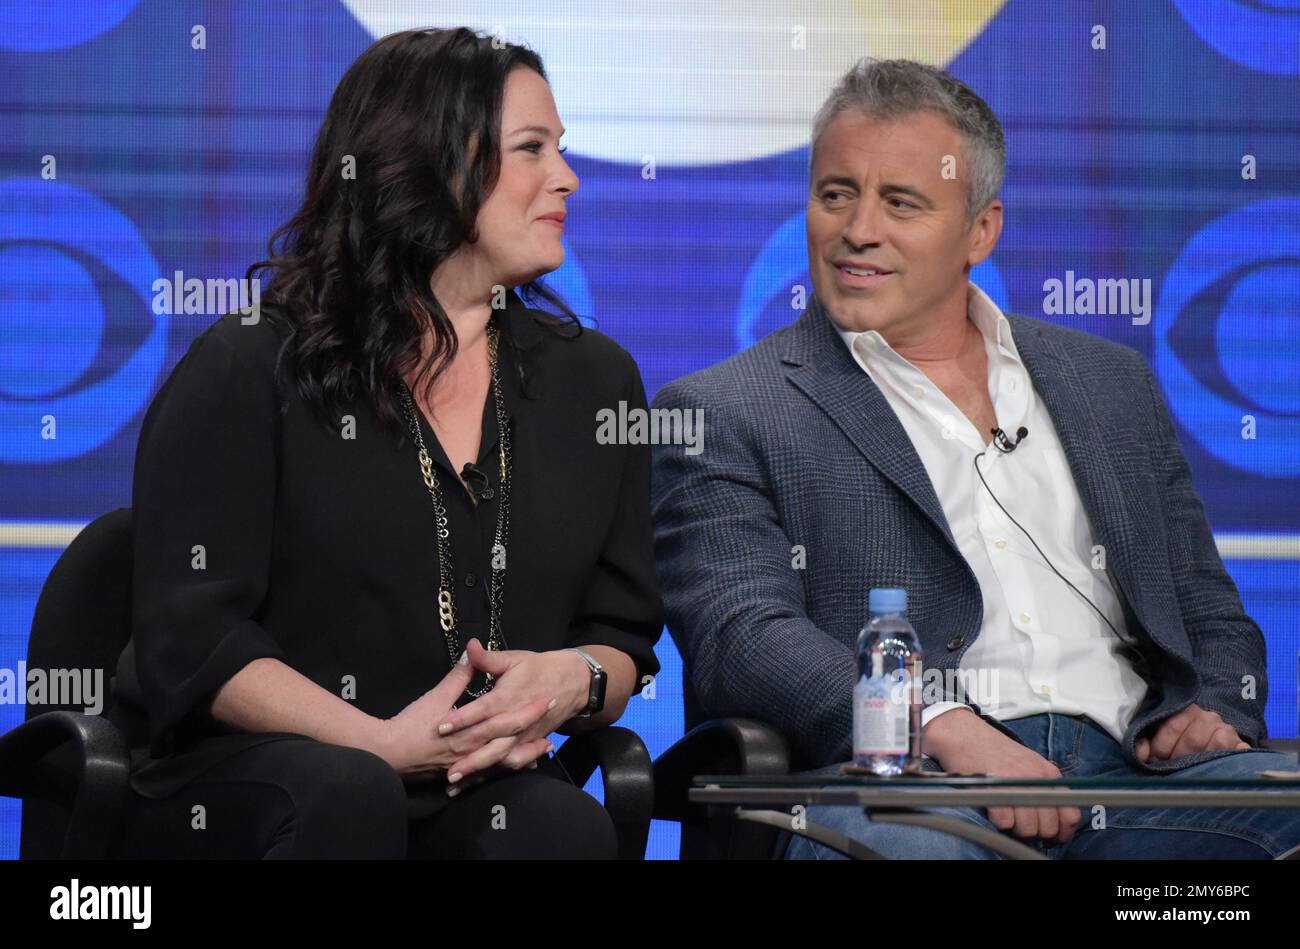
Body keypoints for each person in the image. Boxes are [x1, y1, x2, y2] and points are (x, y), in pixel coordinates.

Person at [650, 57, 1300, 859]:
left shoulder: (1109, 384)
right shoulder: (724, 409)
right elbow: (743, 637)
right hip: (912, 783)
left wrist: (1217, 713)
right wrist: (946, 729)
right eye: (836, 194)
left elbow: (1208, 607)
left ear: (980, 230)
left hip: (1142, 780)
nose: (858, 230)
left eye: (901, 203)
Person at [107, 27, 662, 859]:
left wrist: (572, 681)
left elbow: (620, 639)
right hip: (255, 778)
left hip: (475, 784)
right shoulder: (250, 367)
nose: (567, 177)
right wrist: (381, 742)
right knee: (349, 792)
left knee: (556, 826)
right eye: (532, 149)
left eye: (563, 148)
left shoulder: (597, 384)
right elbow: (194, 640)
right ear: (434, 165)